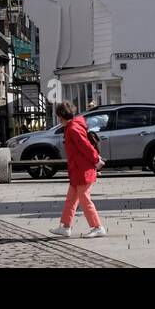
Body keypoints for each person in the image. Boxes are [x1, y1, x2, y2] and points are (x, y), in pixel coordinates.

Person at [49, 101, 105, 239]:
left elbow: (86, 147)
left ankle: (97, 227)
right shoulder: (72, 126)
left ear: (62, 116)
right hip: (77, 170)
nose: (58, 119)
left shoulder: (73, 129)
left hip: (83, 170)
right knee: (71, 199)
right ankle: (66, 227)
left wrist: (97, 160)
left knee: (84, 199)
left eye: (58, 116)